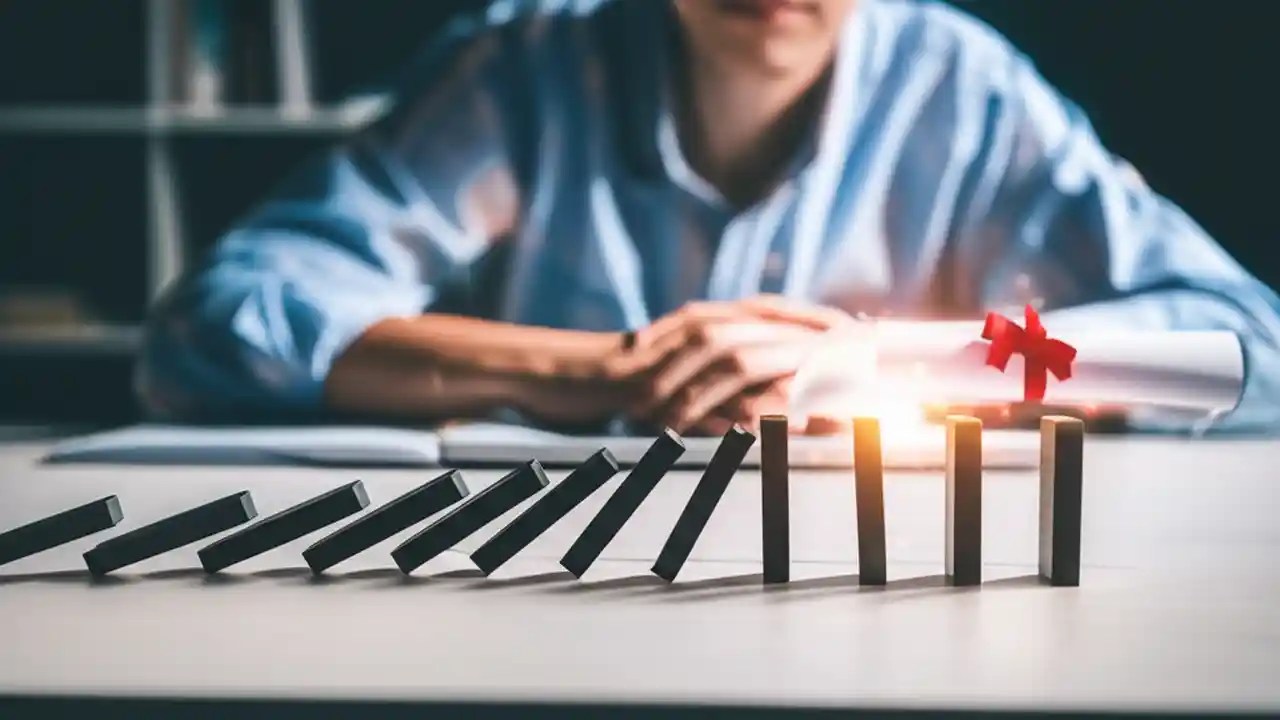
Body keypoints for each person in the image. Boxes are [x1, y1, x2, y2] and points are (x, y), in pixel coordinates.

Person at [138, 0, 1280, 435]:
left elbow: (1247, 342)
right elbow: (219, 325)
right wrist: (613, 370)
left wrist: (911, 365)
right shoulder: (524, 64)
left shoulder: (961, 84)